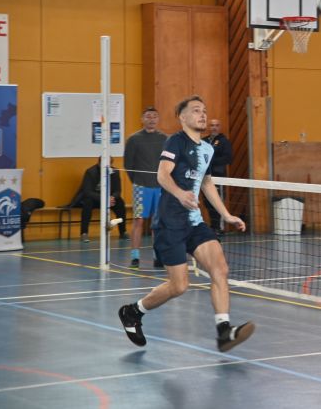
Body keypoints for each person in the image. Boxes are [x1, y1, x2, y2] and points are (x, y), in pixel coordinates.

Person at [118, 95, 253, 352]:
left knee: (220, 269)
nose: (202, 115)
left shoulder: (208, 149)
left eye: (204, 110)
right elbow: (162, 174)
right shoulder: (175, 142)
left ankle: (224, 331)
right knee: (179, 286)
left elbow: (206, 183)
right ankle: (133, 312)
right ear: (182, 117)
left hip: (194, 223)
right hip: (170, 223)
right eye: (195, 111)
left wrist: (225, 214)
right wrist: (180, 194)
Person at [124, 107, 168, 269]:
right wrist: (138, 181)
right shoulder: (134, 139)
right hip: (141, 187)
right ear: (143, 119)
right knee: (139, 220)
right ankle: (135, 257)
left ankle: (158, 255)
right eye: (148, 116)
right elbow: (128, 164)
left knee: (157, 223)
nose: (151, 119)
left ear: (158, 119)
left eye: (155, 116)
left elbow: (168, 163)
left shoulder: (165, 139)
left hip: (160, 187)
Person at [77, 157, 127, 243]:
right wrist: (104, 198)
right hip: (95, 199)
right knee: (87, 203)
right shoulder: (90, 172)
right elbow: (87, 191)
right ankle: (84, 233)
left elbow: (118, 190)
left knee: (120, 203)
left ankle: (123, 232)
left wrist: (112, 197)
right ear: (99, 163)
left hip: (109, 199)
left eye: (108, 165)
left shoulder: (115, 172)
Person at [203, 118, 233, 234]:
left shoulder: (224, 141)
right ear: (208, 127)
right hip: (205, 177)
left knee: (217, 201)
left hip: (218, 177)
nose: (214, 127)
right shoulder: (204, 141)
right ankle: (213, 226)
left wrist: (211, 161)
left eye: (216, 125)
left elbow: (228, 158)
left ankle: (219, 228)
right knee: (207, 202)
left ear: (219, 127)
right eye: (212, 125)